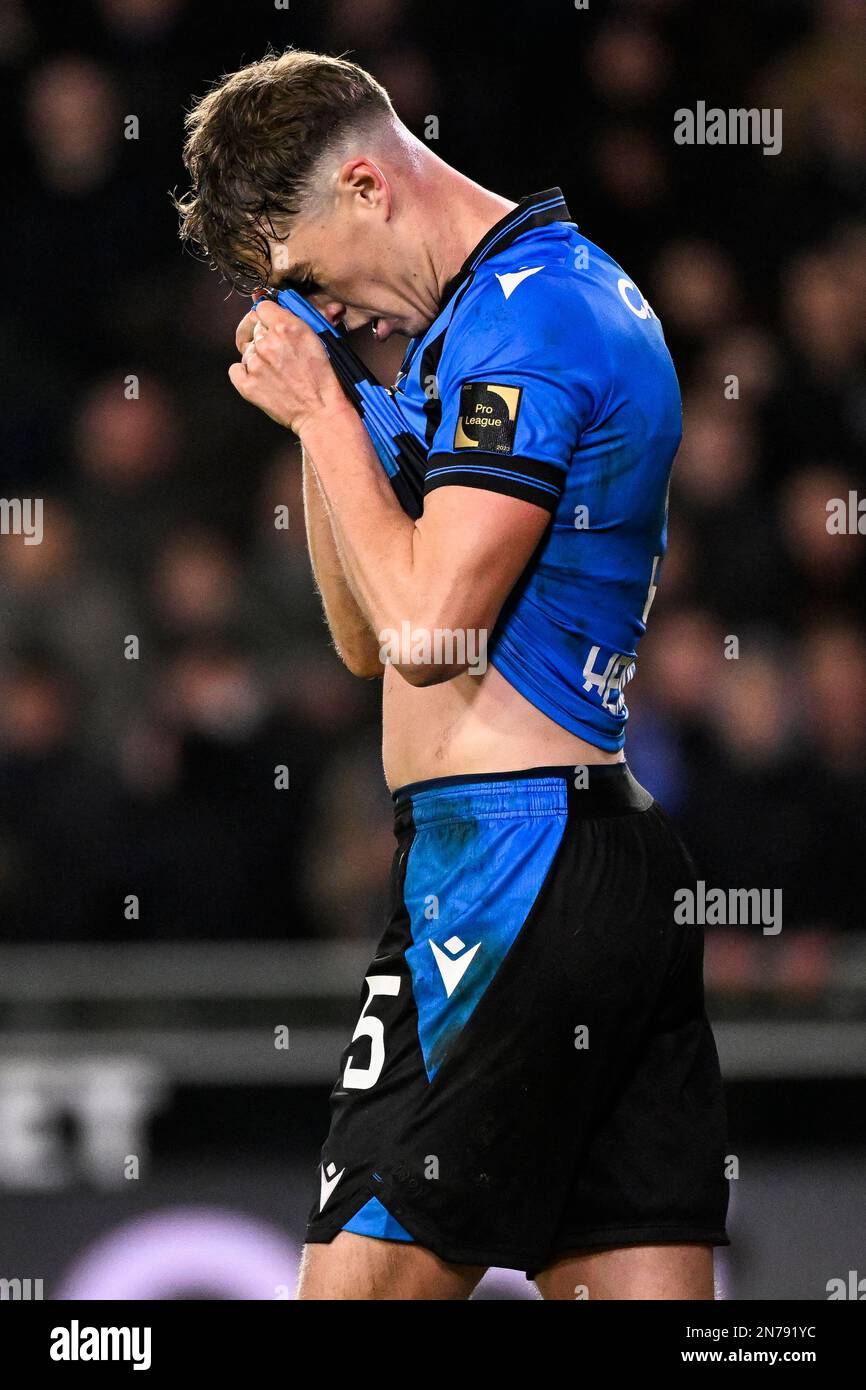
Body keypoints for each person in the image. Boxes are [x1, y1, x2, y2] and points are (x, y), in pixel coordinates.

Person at [175, 48, 729, 1300]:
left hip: (504, 864)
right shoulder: (478, 320)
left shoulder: (534, 316)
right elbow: (362, 636)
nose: (334, 312)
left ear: (366, 182)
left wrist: (323, 413)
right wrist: (342, 410)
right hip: (589, 862)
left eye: (315, 277)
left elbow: (428, 625)